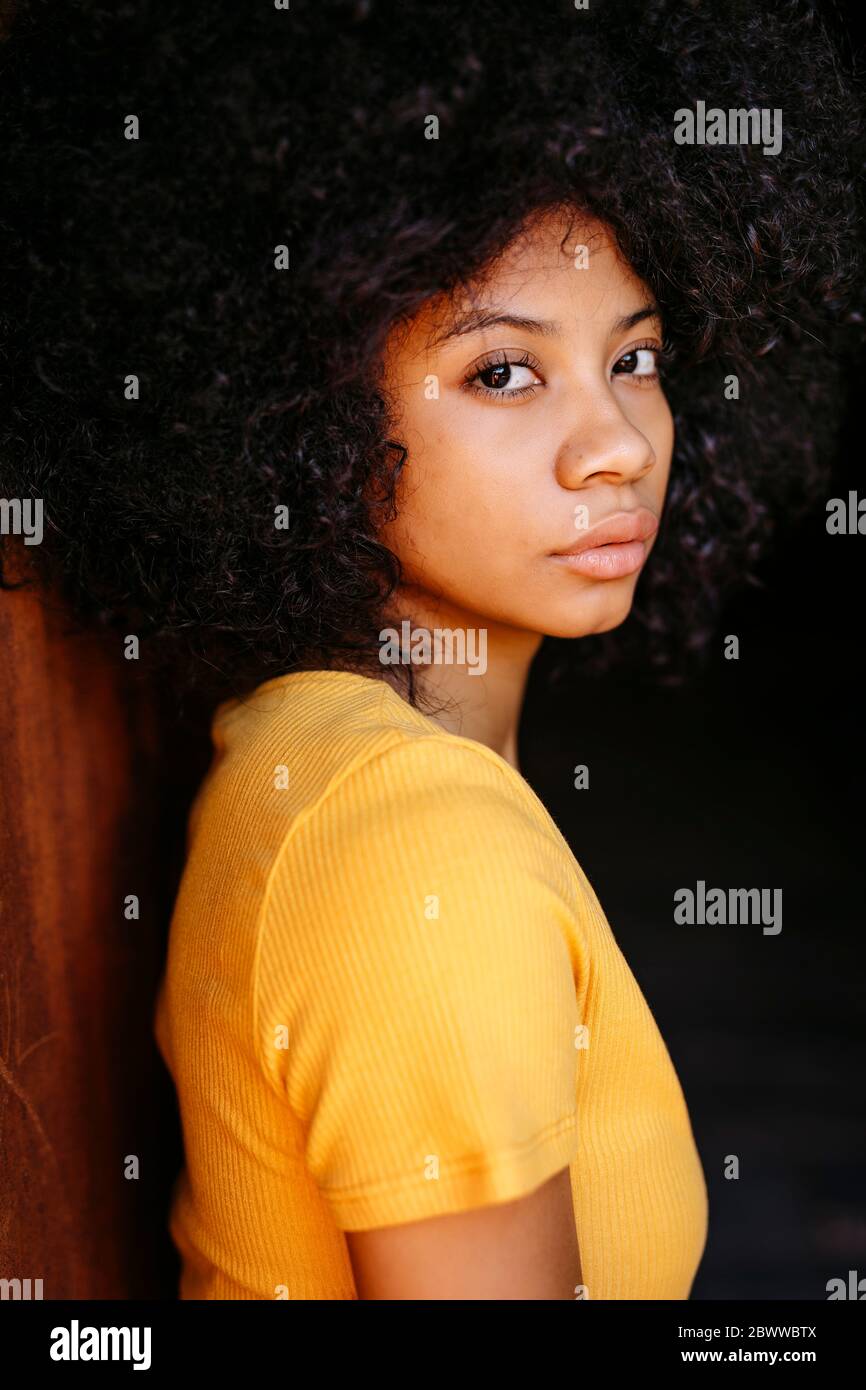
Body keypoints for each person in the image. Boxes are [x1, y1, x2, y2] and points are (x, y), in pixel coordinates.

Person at [0, 0, 860, 1299]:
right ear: (300, 405)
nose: (617, 442)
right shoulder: (409, 842)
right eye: (503, 373)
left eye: (634, 355)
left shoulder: (328, 755)